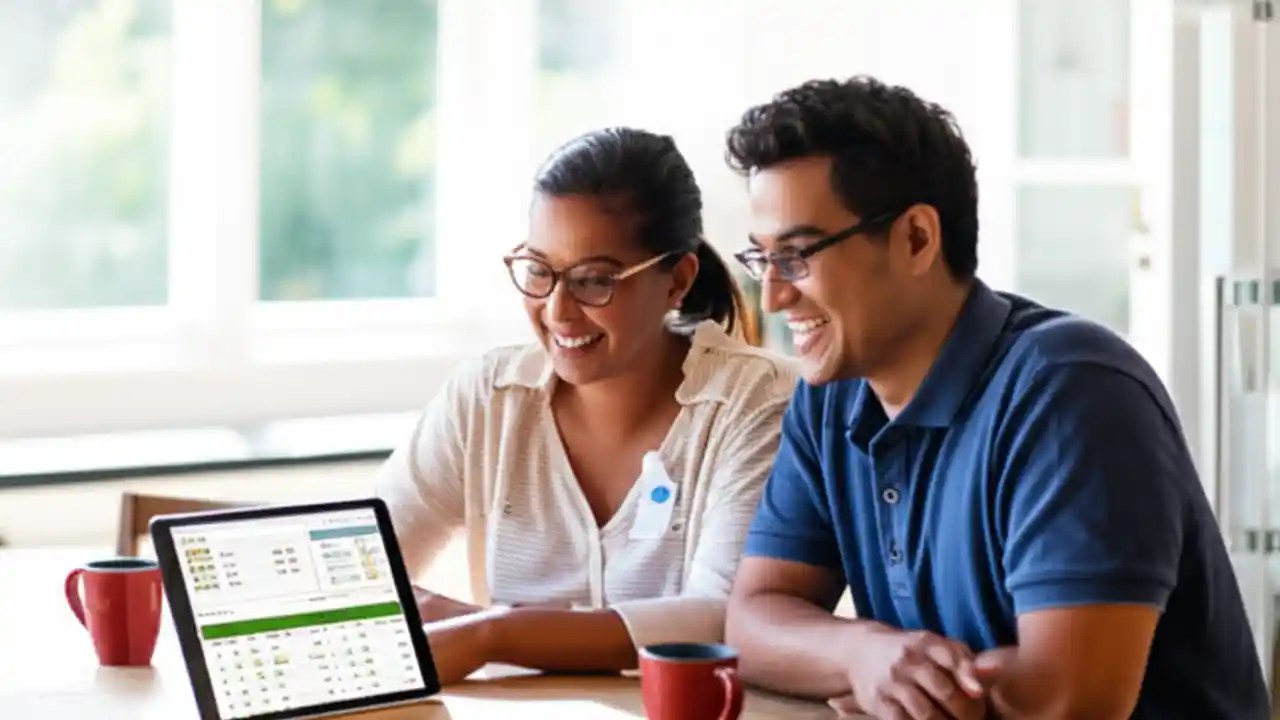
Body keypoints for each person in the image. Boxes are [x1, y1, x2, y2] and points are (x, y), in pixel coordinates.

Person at [721, 76, 1268, 719]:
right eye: (762, 260)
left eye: (798, 256)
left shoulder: (1073, 391)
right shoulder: (832, 393)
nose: (775, 297)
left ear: (918, 238)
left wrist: (887, 674)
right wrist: (863, 655)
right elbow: (750, 624)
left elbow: (1072, 698)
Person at [375, 127, 797, 684]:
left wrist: (492, 633)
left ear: (678, 281)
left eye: (595, 280)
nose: (558, 311)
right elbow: (365, 567)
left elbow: (722, 617)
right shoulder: (488, 399)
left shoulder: (755, 402)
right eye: (539, 272)